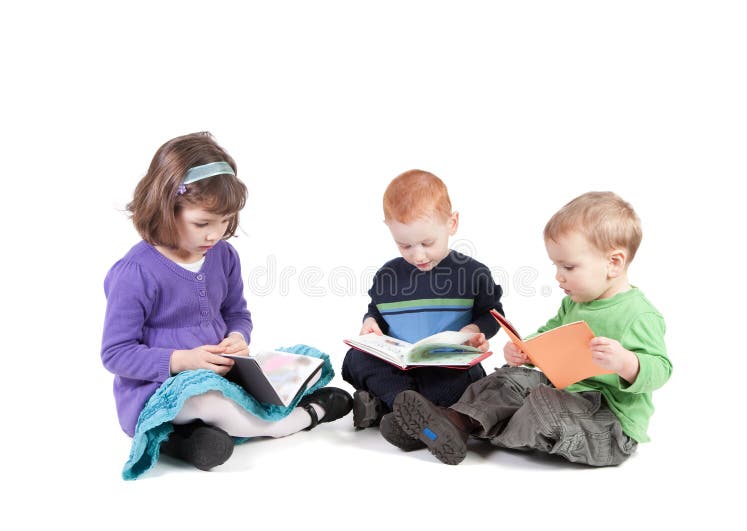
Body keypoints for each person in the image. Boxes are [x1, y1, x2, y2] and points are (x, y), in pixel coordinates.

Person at [102, 132, 352, 474]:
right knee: (205, 399)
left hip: (224, 373)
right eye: (202, 223)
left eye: (224, 222)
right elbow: (116, 353)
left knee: (299, 363)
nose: (214, 235)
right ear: (165, 206)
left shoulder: (223, 256)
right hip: (158, 391)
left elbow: (237, 313)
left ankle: (191, 440)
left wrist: (239, 336)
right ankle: (302, 418)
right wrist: (182, 361)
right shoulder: (136, 273)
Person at [389, 191, 672, 466]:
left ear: (614, 263)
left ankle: (453, 428)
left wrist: (627, 363)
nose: (559, 276)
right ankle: (453, 422)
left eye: (569, 267)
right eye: (556, 265)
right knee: (509, 380)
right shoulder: (575, 302)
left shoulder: (639, 314)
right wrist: (527, 351)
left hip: (610, 423)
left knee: (543, 407)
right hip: (566, 391)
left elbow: (660, 369)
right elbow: (550, 335)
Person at [341, 169, 504, 450]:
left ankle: (395, 411)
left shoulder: (472, 273)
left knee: (468, 384)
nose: (418, 255)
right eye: (405, 245)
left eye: (428, 243)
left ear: (451, 223)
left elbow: (491, 313)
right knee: (356, 359)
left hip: (445, 367)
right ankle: (414, 411)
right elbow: (377, 311)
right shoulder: (388, 275)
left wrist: (474, 330)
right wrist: (370, 322)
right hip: (398, 368)